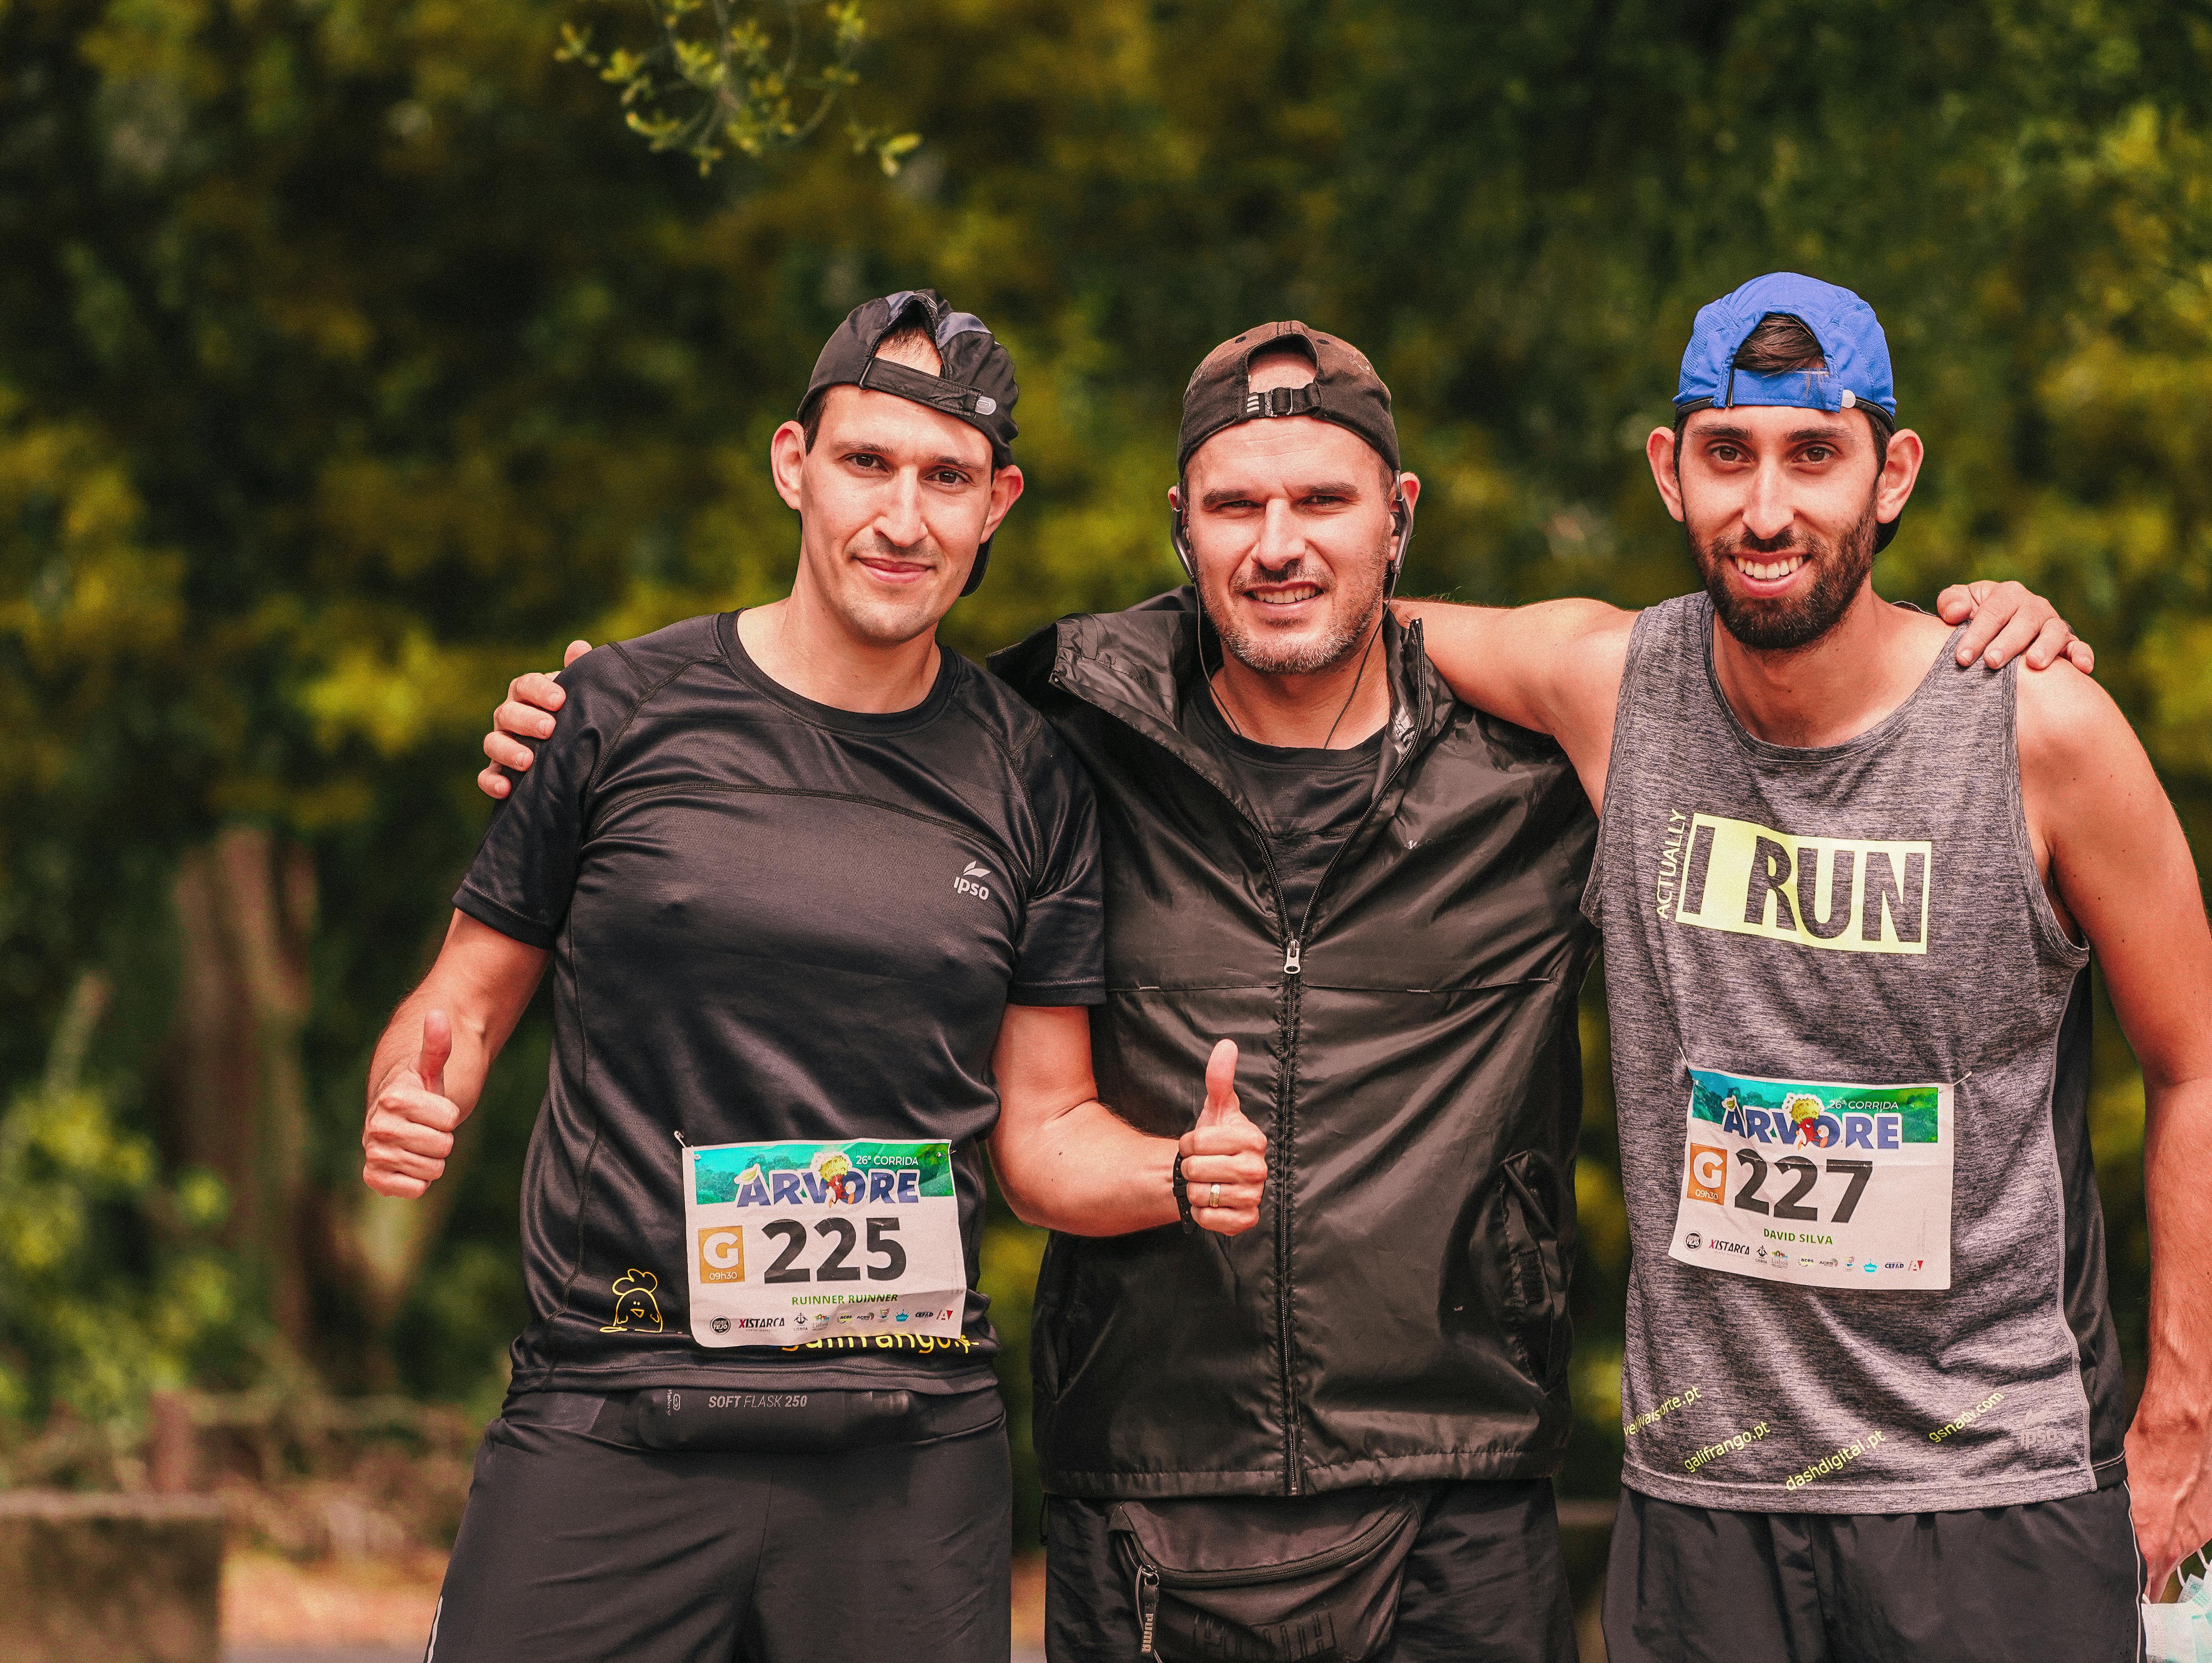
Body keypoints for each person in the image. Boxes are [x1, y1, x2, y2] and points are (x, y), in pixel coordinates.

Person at [476, 316, 2088, 1661]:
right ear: (1178, 525)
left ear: (1398, 516)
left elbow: (1796, 702)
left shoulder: (1541, 763)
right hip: (1153, 1480)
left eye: (1322, 500)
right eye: (1236, 505)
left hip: (1466, 1477)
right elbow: (843, 707)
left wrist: (1977, 633)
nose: (1279, 543)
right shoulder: (1060, 731)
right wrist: (614, 726)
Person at [361, 289, 1268, 1663]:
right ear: (795, 464)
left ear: (997, 504)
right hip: (615, 1406)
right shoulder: (614, 713)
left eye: (946, 478)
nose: (902, 518)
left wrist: (1176, 1174)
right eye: (867, 463)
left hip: (904, 1447)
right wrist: (410, 1092)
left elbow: (1041, 1136)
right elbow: (460, 1006)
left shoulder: (1033, 777)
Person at [1396, 272, 2212, 1661]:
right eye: (1729, 453)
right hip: (1706, 1499)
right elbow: (1342, 621)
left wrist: (2180, 1421)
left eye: (1814, 454)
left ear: (1891, 474)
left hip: (1995, 1490)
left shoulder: (2039, 730)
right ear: (1670, 472)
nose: (1767, 507)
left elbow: (2200, 1065)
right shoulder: (1614, 687)